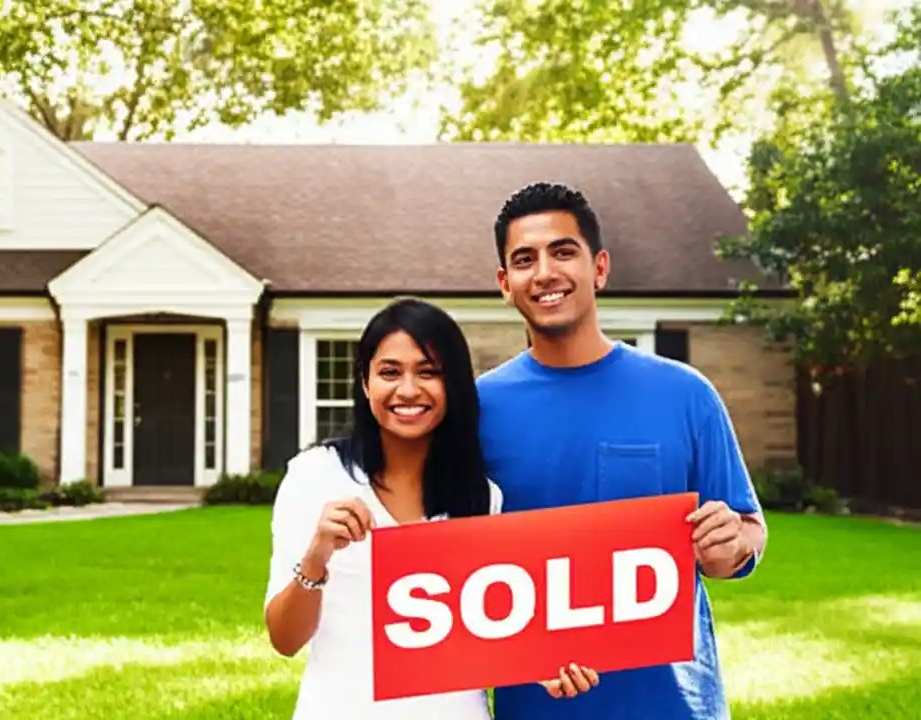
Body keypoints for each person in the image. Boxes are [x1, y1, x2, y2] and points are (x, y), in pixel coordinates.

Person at [476, 182, 768, 719]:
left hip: (674, 704)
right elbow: (450, 556)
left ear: (600, 267)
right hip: (536, 706)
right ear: (505, 283)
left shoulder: (685, 393)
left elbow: (747, 527)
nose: (544, 273)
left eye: (564, 252)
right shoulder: (476, 410)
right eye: (524, 259)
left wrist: (733, 545)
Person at [264, 297, 599, 719]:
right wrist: (316, 558)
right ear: (365, 383)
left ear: (453, 386)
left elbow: (484, 630)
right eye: (389, 372)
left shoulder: (481, 497)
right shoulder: (315, 476)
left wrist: (540, 666)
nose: (408, 390)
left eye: (428, 372)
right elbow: (284, 638)